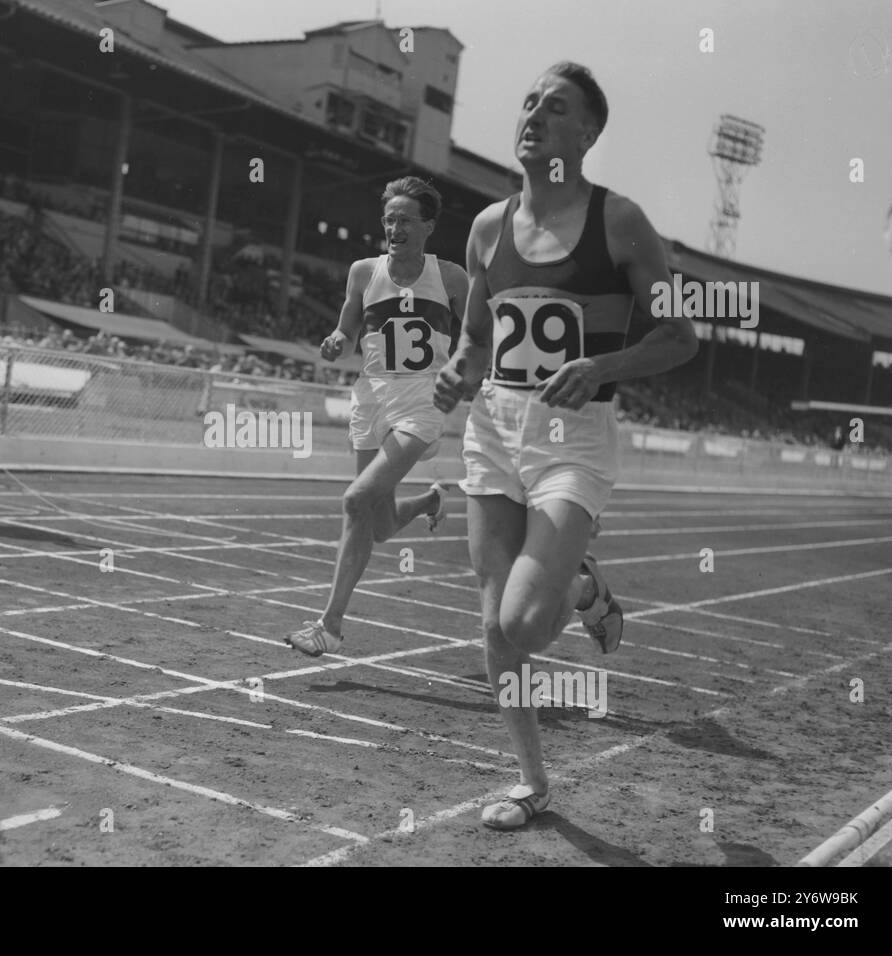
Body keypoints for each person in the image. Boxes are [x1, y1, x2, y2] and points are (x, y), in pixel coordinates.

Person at [433, 62, 698, 829]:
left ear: (587, 134)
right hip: (494, 430)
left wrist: (604, 364)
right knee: (493, 624)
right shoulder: (487, 228)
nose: (534, 116)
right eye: (528, 103)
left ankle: (581, 589)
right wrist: (456, 376)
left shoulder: (620, 222)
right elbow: (475, 341)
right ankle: (531, 782)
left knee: (521, 621)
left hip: (572, 441)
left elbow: (681, 335)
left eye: (555, 108)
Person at [286, 177, 469, 657]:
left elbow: (476, 337)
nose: (395, 227)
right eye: (389, 219)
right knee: (381, 524)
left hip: (421, 402)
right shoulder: (363, 272)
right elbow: (346, 329)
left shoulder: (450, 277)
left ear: (428, 226)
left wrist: (465, 374)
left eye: (406, 219)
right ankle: (430, 499)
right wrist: (336, 342)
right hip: (369, 399)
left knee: (356, 501)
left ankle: (330, 624)